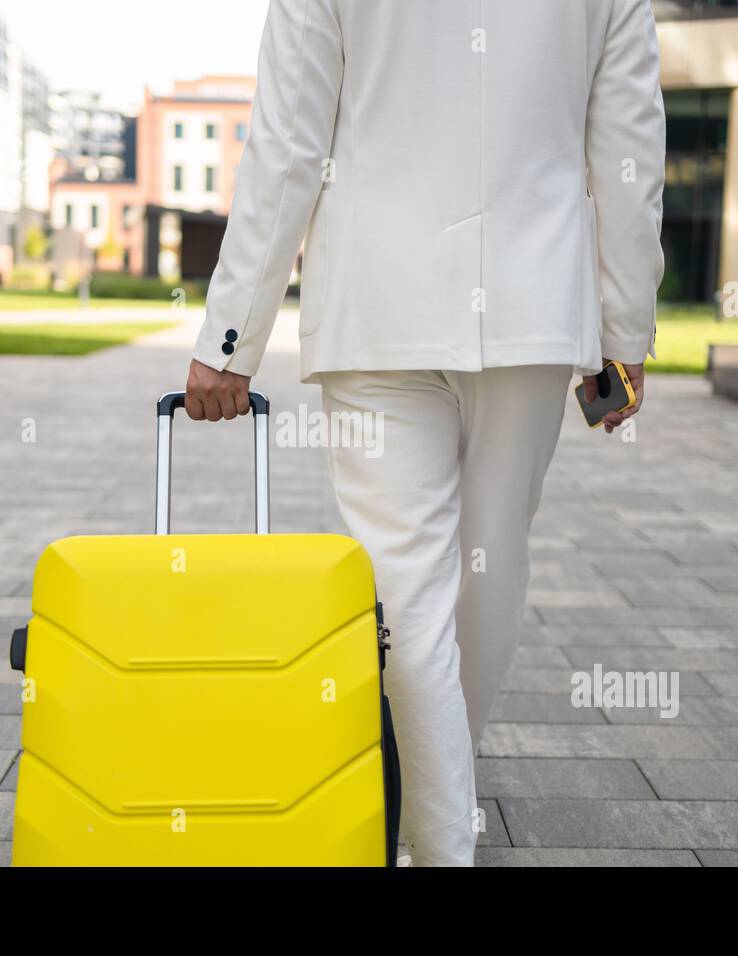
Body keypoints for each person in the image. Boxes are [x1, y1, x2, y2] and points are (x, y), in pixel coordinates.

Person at [184, 0, 665, 866]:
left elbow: (289, 147)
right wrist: (624, 336)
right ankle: (437, 835)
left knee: (405, 595)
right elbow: (629, 158)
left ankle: (433, 833)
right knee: (488, 578)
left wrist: (230, 341)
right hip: (531, 307)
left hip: (380, 304)